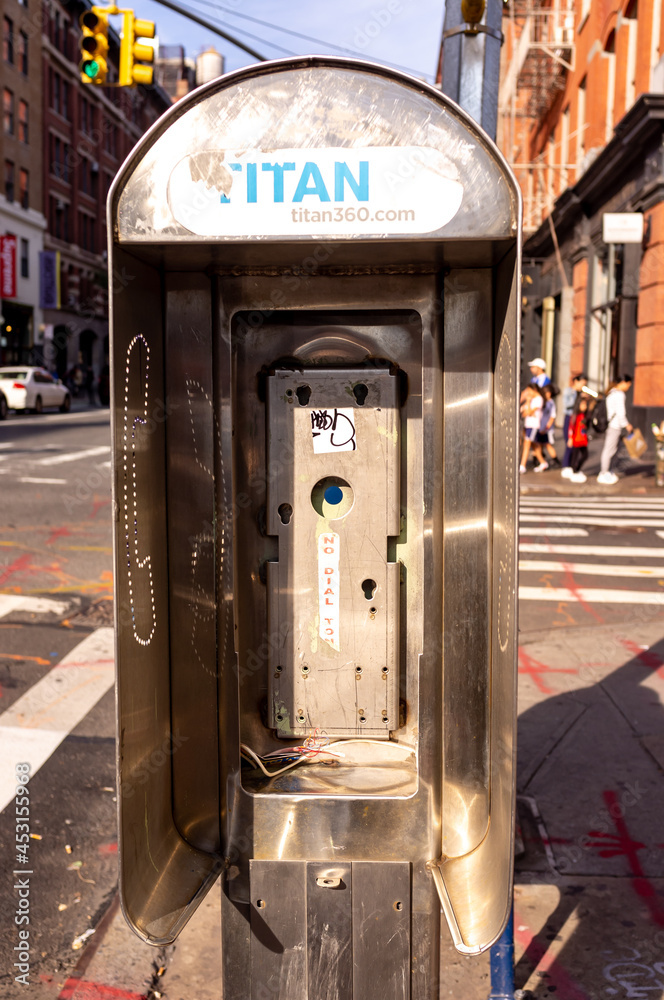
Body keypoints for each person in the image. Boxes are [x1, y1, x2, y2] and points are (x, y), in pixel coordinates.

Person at [597, 374, 633, 485]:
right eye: (628, 385)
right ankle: (604, 473)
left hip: (611, 425)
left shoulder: (611, 392)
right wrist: (626, 424)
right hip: (614, 426)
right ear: (623, 383)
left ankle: (607, 471)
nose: (628, 387)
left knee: (612, 449)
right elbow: (621, 412)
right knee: (609, 450)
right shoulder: (619, 394)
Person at [561, 373, 587, 478]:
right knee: (569, 442)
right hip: (569, 417)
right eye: (582, 383)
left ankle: (571, 466)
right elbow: (567, 404)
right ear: (576, 381)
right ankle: (565, 466)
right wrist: (577, 396)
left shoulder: (582, 392)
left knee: (575, 443)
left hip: (578, 418)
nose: (583, 386)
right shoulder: (569, 391)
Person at [535, 383, 561, 470]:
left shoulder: (551, 403)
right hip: (541, 428)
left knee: (547, 445)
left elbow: (552, 417)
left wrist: (546, 428)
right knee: (540, 444)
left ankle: (555, 460)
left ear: (549, 393)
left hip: (546, 429)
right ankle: (540, 460)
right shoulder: (545, 402)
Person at [566, 392, 591, 482]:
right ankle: (574, 471)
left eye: (585, 404)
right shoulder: (575, 415)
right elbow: (571, 427)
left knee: (585, 455)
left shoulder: (585, 415)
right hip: (576, 439)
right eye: (582, 404)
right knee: (575, 456)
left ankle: (577, 469)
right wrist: (570, 438)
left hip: (583, 439)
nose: (584, 406)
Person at [520, 383, 543, 473]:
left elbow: (529, 412)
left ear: (534, 390)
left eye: (529, 390)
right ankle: (543, 462)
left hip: (533, 425)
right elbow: (523, 412)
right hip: (528, 425)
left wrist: (528, 402)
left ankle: (522, 465)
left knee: (527, 445)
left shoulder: (539, 399)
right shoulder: (532, 399)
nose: (528, 393)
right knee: (534, 446)